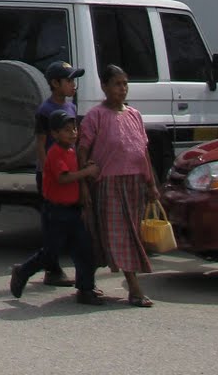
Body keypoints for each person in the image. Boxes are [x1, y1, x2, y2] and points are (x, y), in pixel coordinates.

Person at [78, 63, 159, 306]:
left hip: (134, 184)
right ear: (104, 87)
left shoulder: (134, 114)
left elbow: (143, 152)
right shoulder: (96, 116)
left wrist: (151, 183)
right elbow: (82, 151)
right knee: (114, 235)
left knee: (128, 235)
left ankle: (86, 286)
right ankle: (133, 289)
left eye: (125, 84)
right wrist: (83, 185)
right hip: (108, 185)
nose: (122, 89)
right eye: (117, 84)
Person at [9, 111, 104, 304]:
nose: (72, 133)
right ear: (54, 134)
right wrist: (86, 171)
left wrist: (87, 168)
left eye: (74, 129)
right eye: (66, 130)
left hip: (74, 210)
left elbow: (77, 173)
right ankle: (23, 271)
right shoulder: (55, 153)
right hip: (56, 212)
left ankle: (86, 289)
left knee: (84, 249)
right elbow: (63, 178)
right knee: (51, 252)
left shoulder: (72, 151)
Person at [33, 61, 85, 285]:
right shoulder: (45, 111)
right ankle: (51, 268)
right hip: (51, 175)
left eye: (74, 80)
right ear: (55, 83)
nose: (73, 85)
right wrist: (47, 173)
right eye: (69, 81)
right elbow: (40, 144)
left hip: (68, 172)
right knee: (51, 223)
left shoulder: (71, 108)